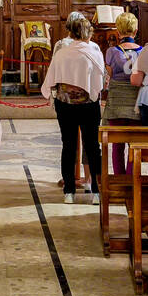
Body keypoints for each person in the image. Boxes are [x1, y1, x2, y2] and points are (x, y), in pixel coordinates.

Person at [41, 12, 105, 205]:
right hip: (88, 105)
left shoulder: (61, 52)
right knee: (93, 147)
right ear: (87, 34)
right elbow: (98, 82)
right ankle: (96, 192)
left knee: (68, 146)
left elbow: (51, 81)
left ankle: (69, 191)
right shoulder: (94, 51)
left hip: (65, 105)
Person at [101, 12, 142, 177]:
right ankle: (131, 181)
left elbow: (108, 76)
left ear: (118, 32)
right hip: (136, 102)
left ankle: (119, 179)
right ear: (136, 31)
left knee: (117, 145)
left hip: (116, 102)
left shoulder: (111, 52)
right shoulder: (143, 51)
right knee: (134, 145)